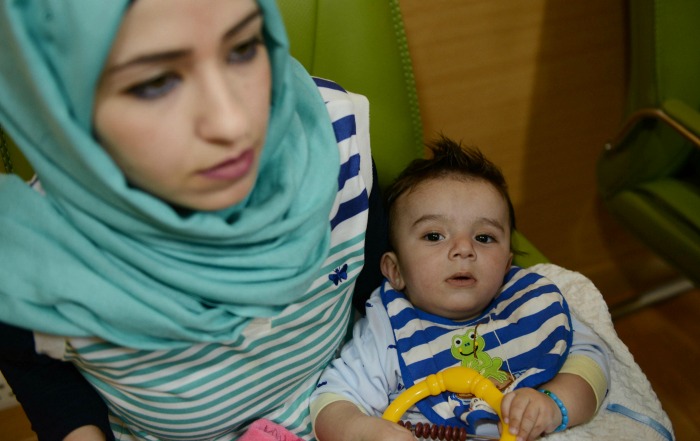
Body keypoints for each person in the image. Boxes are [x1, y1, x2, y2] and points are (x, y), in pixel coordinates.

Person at [0, 0, 386, 439]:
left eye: (243, 48)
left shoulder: (330, 142)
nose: (233, 122)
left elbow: (388, 297)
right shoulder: (35, 257)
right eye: (155, 83)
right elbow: (43, 376)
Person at [311, 137, 610, 441]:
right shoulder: (389, 332)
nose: (464, 248)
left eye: (484, 238)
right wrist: (361, 431)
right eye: (434, 236)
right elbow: (333, 398)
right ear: (395, 270)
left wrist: (554, 404)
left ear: (506, 265)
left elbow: (591, 358)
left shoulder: (528, 304)